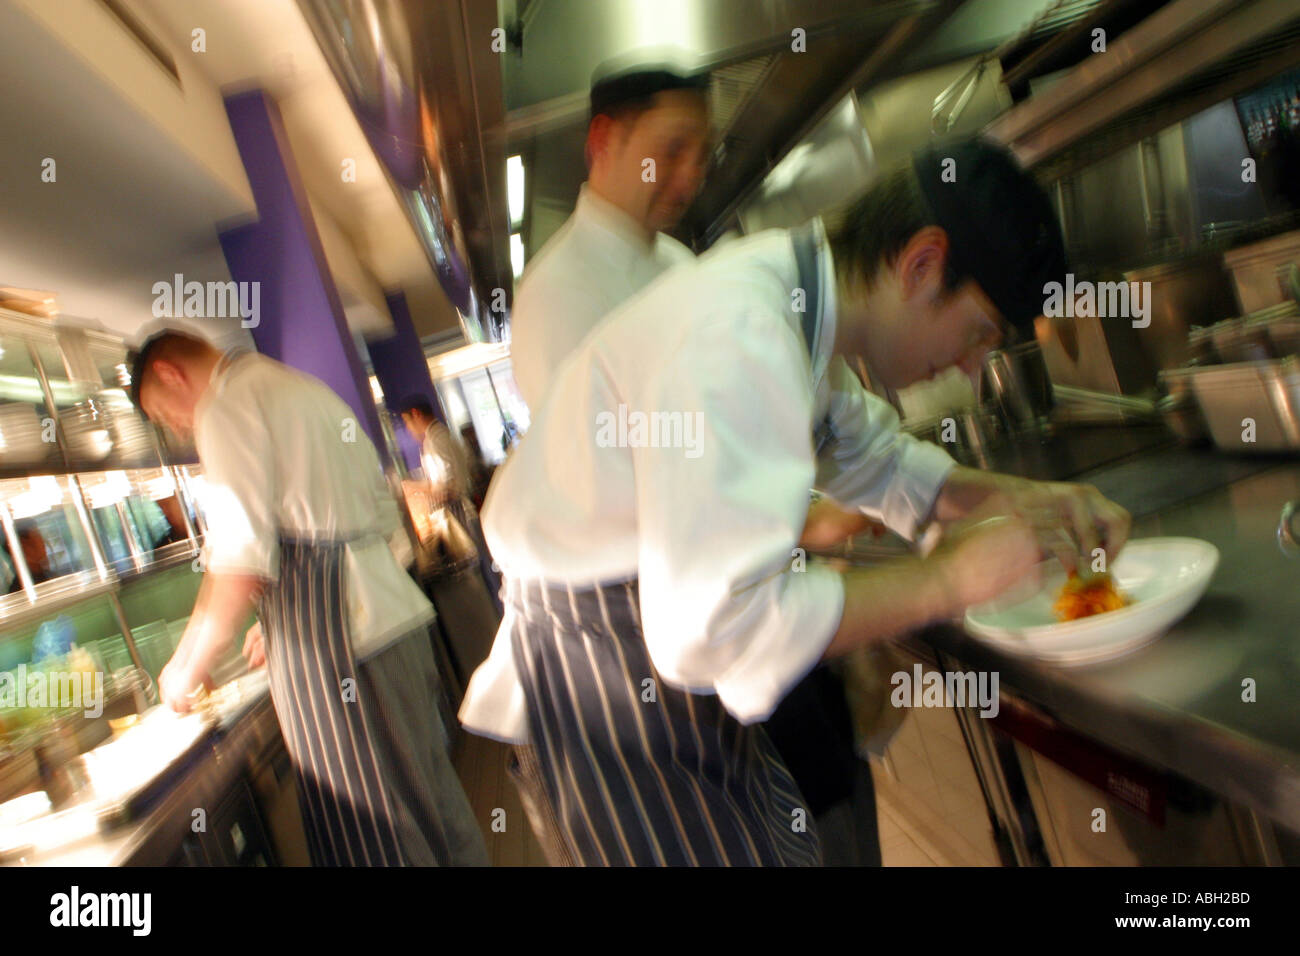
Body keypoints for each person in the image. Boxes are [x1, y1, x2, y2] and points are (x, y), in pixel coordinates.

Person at [459, 138, 1130, 866]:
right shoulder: (742, 331)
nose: (972, 369)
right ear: (921, 264)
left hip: (637, 640)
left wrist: (1024, 497)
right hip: (603, 667)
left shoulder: (797, 298)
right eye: (978, 334)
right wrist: (947, 580)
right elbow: (715, 633)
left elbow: (872, 456)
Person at [130, 331, 487, 867]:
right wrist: (281, 615)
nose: (177, 426)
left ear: (169, 373)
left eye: (163, 414)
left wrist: (186, 667)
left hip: (348, 651)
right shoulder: (302, 389)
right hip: (393, 623)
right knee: (435, 807)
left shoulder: (225, 407)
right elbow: (376, 516)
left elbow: (238, 562)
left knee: (383, 833)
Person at [508, 57, 711, 411]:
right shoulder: (553, 295)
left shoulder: (680, 260)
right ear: (603, 140)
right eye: (674, 149)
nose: (692, 175)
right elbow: (592, 455)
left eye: (703, 154)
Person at [397, 397, 502, 613]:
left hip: (458, 514)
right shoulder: (442, 435)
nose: (408, 430)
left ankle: (495, 612)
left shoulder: (435, 441)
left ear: (416, 414)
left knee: (478, 572)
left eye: (407, 422)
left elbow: (447, 488)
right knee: (482, 568)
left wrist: (414, 487)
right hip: (465, 511)